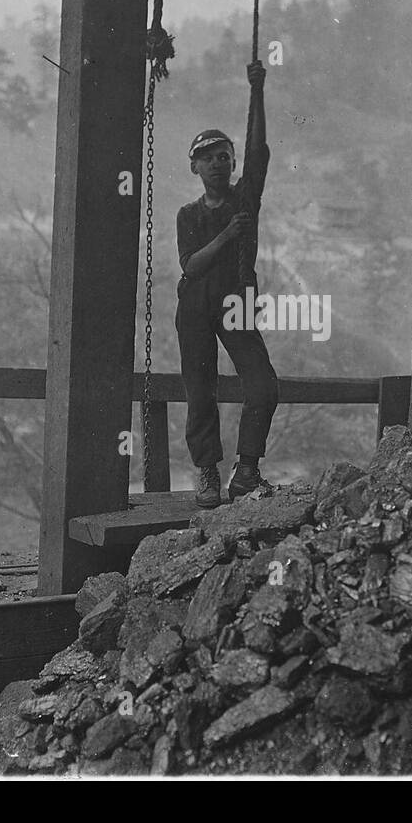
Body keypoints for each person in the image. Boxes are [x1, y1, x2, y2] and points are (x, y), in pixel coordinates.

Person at [175, 60, 279, 508]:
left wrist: (256, 92)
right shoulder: (189, 215)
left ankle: (247, 467)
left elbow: (260, 153)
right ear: (195, 165)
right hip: (196, 304)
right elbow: (190, 265)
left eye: (225, 156)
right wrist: (227, 236)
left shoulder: (245, 198)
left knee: (263, 385)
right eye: (209, 157)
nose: (219, 163)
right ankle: (207, 473)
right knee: (200, 391)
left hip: (236, 298)